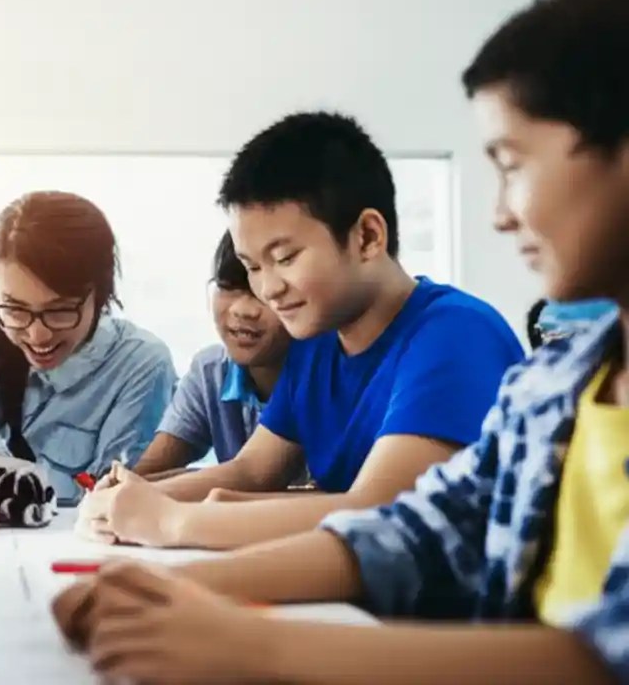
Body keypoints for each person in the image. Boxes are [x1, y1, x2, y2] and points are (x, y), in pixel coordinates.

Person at [53, 0, 629, 682]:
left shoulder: (454, 333)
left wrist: (250, 638)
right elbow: (409, 532)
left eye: (514, 167)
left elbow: (603, 657)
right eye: (250, 266)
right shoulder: (550, 389)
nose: (500, 215)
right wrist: (173, 592)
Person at [77, 112, 524, 549]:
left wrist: (175, 521)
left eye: (285, 258)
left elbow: (379, 510)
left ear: (368, 236)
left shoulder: (456, 335)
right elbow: (251, 471)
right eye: (252, 267)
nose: (268, 289)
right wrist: (131, 498)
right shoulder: (316, 342)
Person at [0, 191, 177, 507]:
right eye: (15, 309)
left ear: (101, 294)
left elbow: (118, 495)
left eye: (60, 311)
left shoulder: (141, 364)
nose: (37, 334)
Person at [133, 232, 291, 479]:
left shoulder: (326, 373)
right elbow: (147, 471)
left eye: (263, 294)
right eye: (228, 287)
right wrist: (120, 487)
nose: (243, 310)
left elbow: (251, 477)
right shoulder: (211, 371)